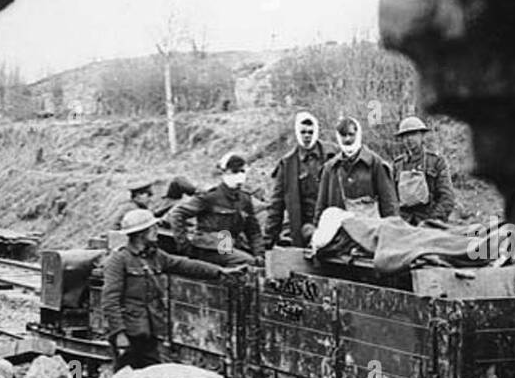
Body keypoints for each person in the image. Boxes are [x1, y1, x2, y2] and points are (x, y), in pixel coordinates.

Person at [102, 209, 245, 370]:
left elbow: (185, 264)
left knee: (149, 375)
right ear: (140, 234)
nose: (157, 232)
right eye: (152, 229)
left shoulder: (154, 256)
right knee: (124, 377)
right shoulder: (119, 260)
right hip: (129, 333)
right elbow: (110, 301)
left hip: (149, 331)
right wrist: (119, 334)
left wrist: (219, 271)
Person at [168, 152, 265, 265]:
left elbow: (253, 231)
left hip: (228, 244)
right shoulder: (211, 196)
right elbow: (177, 214)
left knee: (264, 263)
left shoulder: (245, 199)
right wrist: (183, 244)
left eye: (242, 171)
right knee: (248, 262)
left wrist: (259, 254)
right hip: (209, 246)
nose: (239, 175)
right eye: (234, 171)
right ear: (224, 173)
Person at [264, 111, 333, 249]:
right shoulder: (287, 164)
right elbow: (276, 205)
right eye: (303, 132)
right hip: (305, 226)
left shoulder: (333, 155)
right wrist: (268, 240)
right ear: (297, 133)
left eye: (310, 132)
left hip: (333, 221)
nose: (307, 135)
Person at [313, 116, 398, 224]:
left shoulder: (375, 164)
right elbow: (321, 205)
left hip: (369, 233)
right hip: (340, 234)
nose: (347, 139)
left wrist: (393, 232)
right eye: (343, 135)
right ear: (338, 137)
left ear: (358, 135)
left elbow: (389, 204)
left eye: (351, 134)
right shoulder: (330, 168)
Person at [392, 116, 456, 225]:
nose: (409, 139)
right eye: (405, 136)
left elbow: (447, 197)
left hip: (429, 219)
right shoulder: (397, 165)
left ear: (422, 136)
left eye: (413, 134)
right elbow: (390, 198)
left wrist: (433, 221)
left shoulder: (436, 162)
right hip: (403, 223)